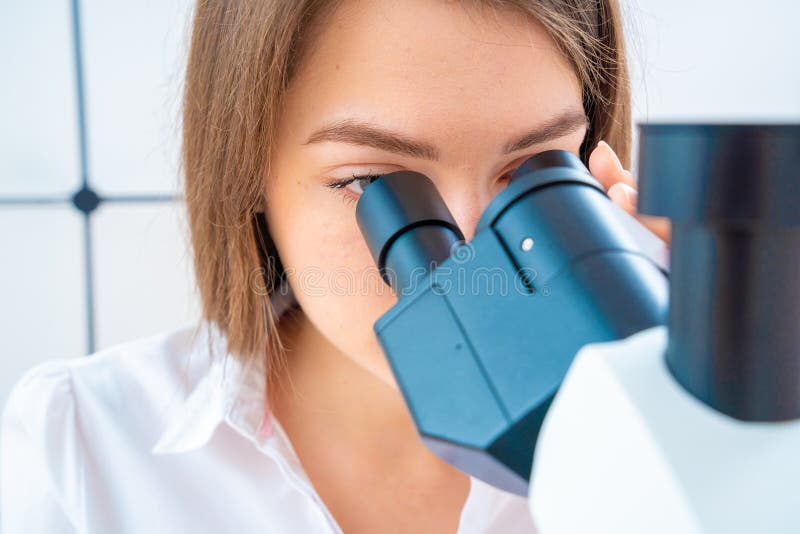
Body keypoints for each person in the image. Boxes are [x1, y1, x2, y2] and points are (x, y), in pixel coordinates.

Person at [0, 0, 670, 532]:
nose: (469, 257)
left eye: (530, 173)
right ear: (250, 171)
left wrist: (726, 399)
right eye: (377, 181)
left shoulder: (670, 424)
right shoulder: (82, 448)